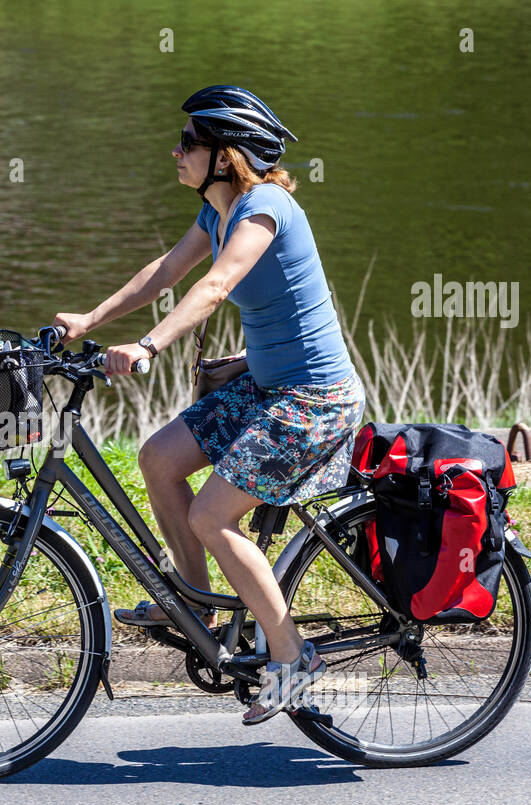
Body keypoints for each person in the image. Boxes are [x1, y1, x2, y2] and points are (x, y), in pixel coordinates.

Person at [53, 86, 367, 725]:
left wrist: (148, 345)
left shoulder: (265, 207)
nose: (176, 150)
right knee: (159, 458)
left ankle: (292, 654)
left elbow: (218, 284)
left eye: (189, 142)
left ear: (228, 156)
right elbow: (164, 273)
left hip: (316, 399)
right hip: (269, 387)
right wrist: (89, 319)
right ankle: (195, 605)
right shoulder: (217, 212)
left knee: (212, 515)